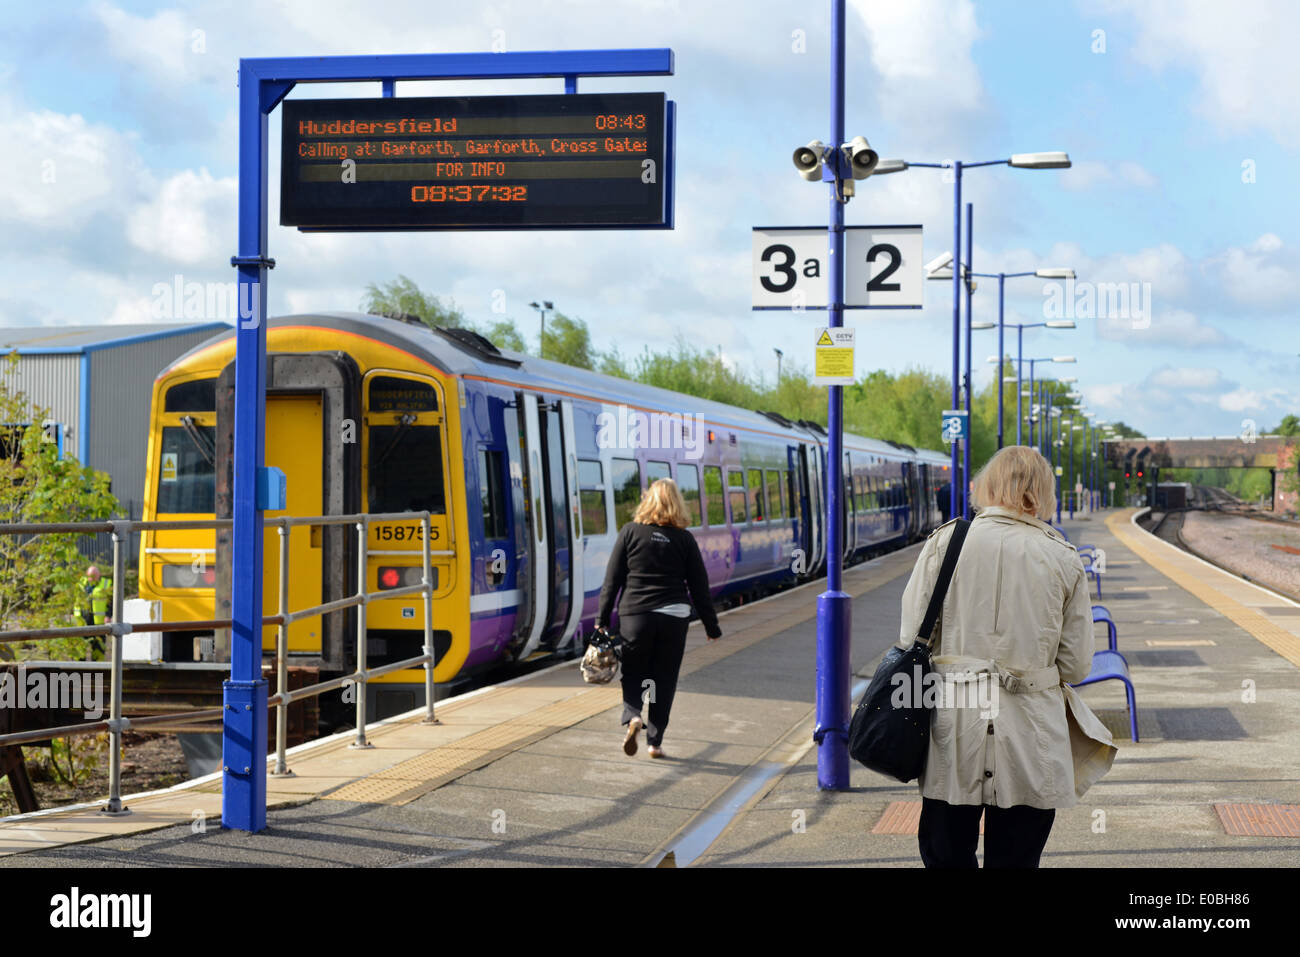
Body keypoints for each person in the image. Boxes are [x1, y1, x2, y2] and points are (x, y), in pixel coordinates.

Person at [898, 445, 1110, 868]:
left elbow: (910, 637)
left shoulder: (947, 542)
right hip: (1031, 736)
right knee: (1016, 859)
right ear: (1044, 493)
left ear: (987, 486)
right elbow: (1076, 665)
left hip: (953, 729)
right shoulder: (1062, 558)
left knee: (946, 855)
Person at [597, 477, 721, 758]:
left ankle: (632, 716)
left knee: (634, 672)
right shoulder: (685, 539)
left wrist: (601, 620)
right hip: (673, 616)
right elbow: (699, 587)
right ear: (678, 504)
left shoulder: (630, 532)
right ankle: (654, 742)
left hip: (636, 615)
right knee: (664, 678)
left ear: (647, 501)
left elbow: (612, 581)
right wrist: (712, 627)